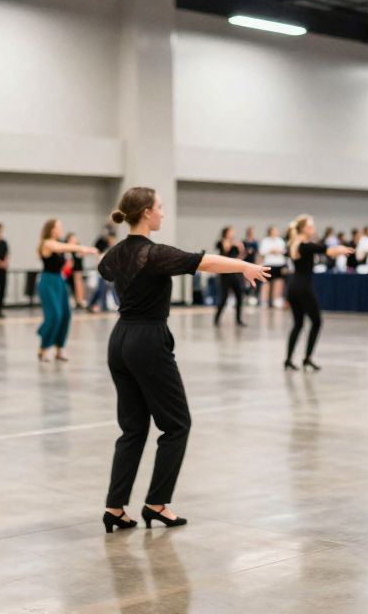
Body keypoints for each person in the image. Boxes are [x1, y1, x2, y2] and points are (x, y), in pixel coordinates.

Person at [100, 187, 269, 534]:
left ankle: (115, 508)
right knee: (177, 425)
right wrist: (245, 265)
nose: (163, 213)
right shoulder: (154, 253)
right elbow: (204, 261)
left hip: (119, 341)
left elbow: (105, 270)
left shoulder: (115, 254)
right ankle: (157, 504)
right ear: (146, 212)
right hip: (147, 340)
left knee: (133, 428)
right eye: (159, 208)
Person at [284, 215, 354, 371]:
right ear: (304, 228)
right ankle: (307, 358)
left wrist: (336, 250)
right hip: (303, 288)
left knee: (298, 324)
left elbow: (323, 249)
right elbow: (325, 250)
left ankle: (288, 359)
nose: (313, 228)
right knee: (316, 321)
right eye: (311, 225)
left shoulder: (294, 244)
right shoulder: (305, 245)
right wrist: (340, 250)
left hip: (293, 287)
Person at [37, 220, 98, 362]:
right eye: (59, 227)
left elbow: (66, 252)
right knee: (54, 316)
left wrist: (83, 251)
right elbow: (61, 248)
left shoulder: (59, 244)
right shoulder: (47, 243)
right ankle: (43, 348)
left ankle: (60, 349)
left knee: (66, 315)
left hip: (59, 281)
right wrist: (81, 248)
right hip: (48, 282)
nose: (61, 229)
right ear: (52, 230)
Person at [213, 226, 247, 327]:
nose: (233, 233)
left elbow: (241, 256)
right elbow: (225, 251)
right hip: (225, 273)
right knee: (223, 297)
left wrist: (240, 247)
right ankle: (217, 319)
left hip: (236, 272)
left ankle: (238, 319)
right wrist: (230, 243)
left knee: (239, 296)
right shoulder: (221, 242)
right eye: (231, 231)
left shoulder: (236, 243)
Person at [89, 229, 118, 313]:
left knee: (108, 289)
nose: (113, 241)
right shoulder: (102, 248)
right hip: (102, 272)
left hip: (110, 272)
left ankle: (96, 305)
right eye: (111, 239)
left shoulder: (113, 248)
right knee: (102, 289)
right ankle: (103, 306)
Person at [259, 225, 287, 308]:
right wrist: (271, 251)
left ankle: (276, 300)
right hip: (268, 264)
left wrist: (278, 251)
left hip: (278, 264)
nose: (275, 232)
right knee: (266, 283)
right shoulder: (265, 241)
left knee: (278, 282)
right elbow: (262, 252)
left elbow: (284, 251)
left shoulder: (280, 240)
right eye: (274, 230)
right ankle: (264, 300)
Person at [65, 232, 88, 309]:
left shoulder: (78, 247)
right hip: (71, 271)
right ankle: (77, 300)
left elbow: (83, 254)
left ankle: (80, 300)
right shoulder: (67, 248)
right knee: (75, 285)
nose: (75, 240)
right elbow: (68, 261)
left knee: (79, 284)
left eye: (75, 238)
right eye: (72, 239)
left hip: (78, 269)